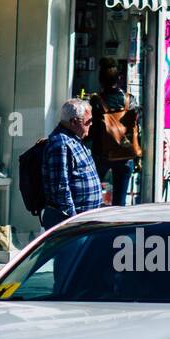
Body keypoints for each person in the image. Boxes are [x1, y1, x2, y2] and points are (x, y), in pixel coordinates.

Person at [41, 98, 102, 230]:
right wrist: (73, 222)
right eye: (88, 121)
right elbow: (61, 189)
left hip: (82, 221)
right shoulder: (62, 144)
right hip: (70, 224)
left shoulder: (74, 140)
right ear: (74, 122)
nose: (91, 124)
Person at [89, 60, 141, 207]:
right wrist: (137, 156)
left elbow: (91, 130)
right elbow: (136, 127)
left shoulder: (96, 101)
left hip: (101, 154)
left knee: (92, 195)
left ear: (100, 80)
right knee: (120, 202)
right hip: (125, 154)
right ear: (119, 78)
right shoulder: (130, 100)